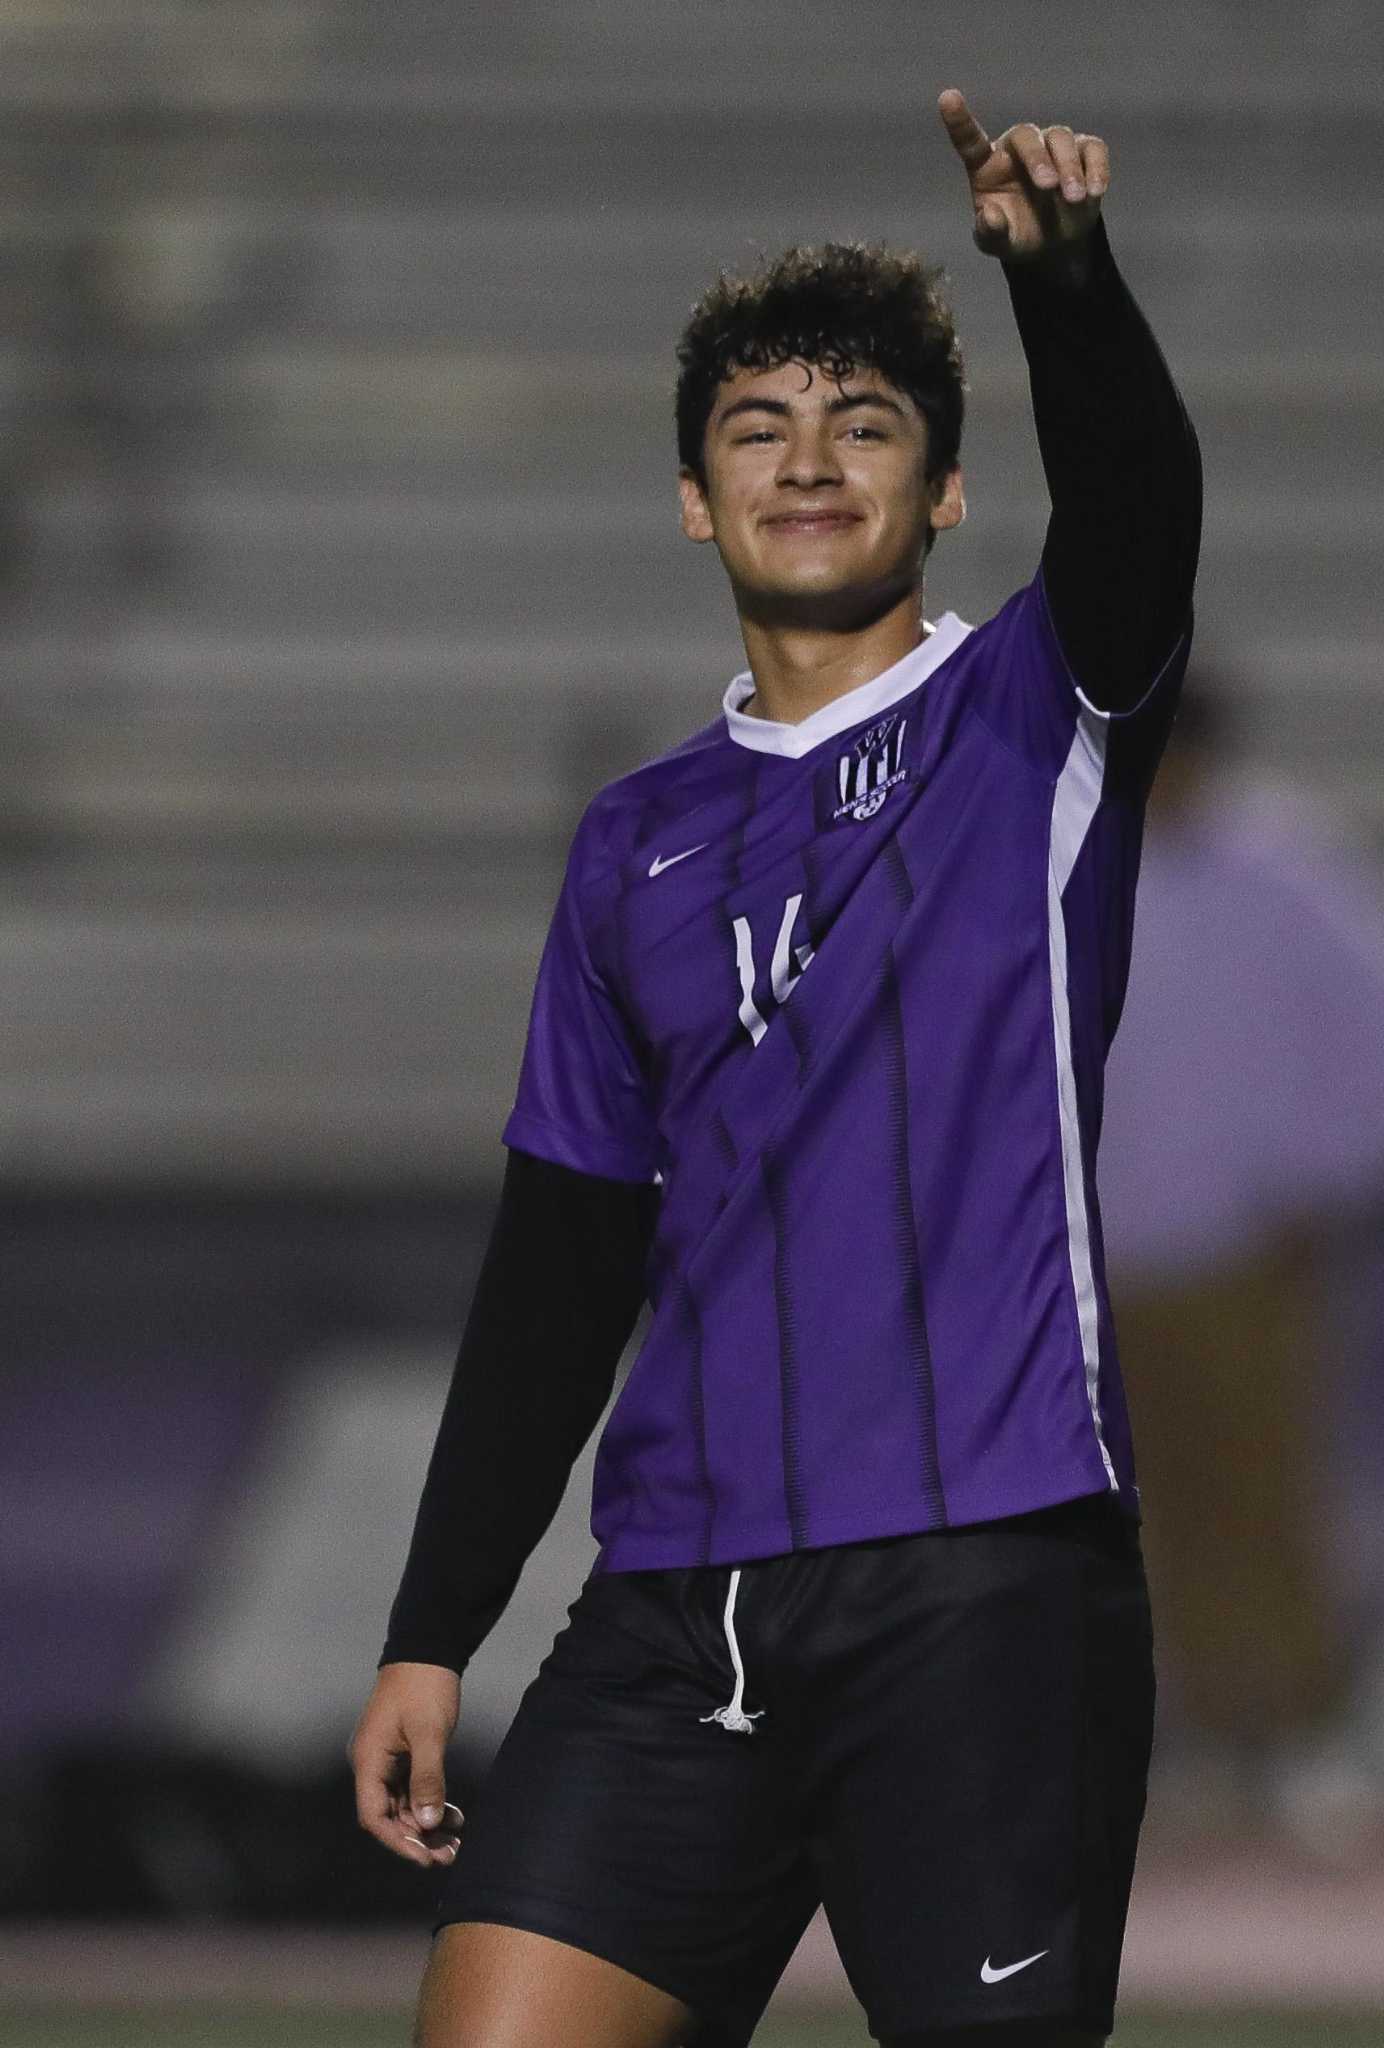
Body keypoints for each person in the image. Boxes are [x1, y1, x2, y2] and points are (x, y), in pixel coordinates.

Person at [349, 87, 1202, 2048]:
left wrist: (1064, 285)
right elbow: (566, 1255)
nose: (807, 461)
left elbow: (1141, 500)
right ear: (691, 499)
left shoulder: (1034, 715)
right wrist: (430, 1628)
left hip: (978, 1578)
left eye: (862, 424)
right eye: (756, 427)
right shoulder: (631, 840)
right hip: (673, 1601)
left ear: (946, 490)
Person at [1095, 676, 1384, 1857]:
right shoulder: (1066, 863)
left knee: (1267, 1497)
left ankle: (1305, 1734)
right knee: (1136, 1514)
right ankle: (1192, 1736)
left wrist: (1330, 1176)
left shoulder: (1288, 872)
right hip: (1099, 1255)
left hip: (1244, 1250)